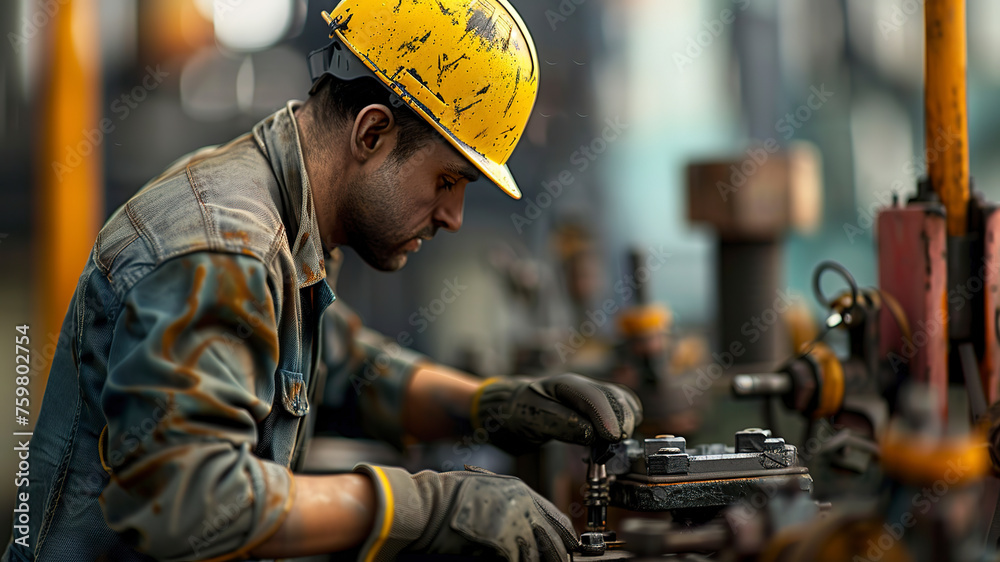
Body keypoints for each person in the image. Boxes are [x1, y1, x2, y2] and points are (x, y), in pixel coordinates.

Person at [4, 0, 642, 560]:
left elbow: (340, 363)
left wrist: (490, 406)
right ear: (372, 132)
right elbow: (190, 504)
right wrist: (426, 508)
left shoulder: (283, 203)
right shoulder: (227, 248)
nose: (453, 216)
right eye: (448, 180)